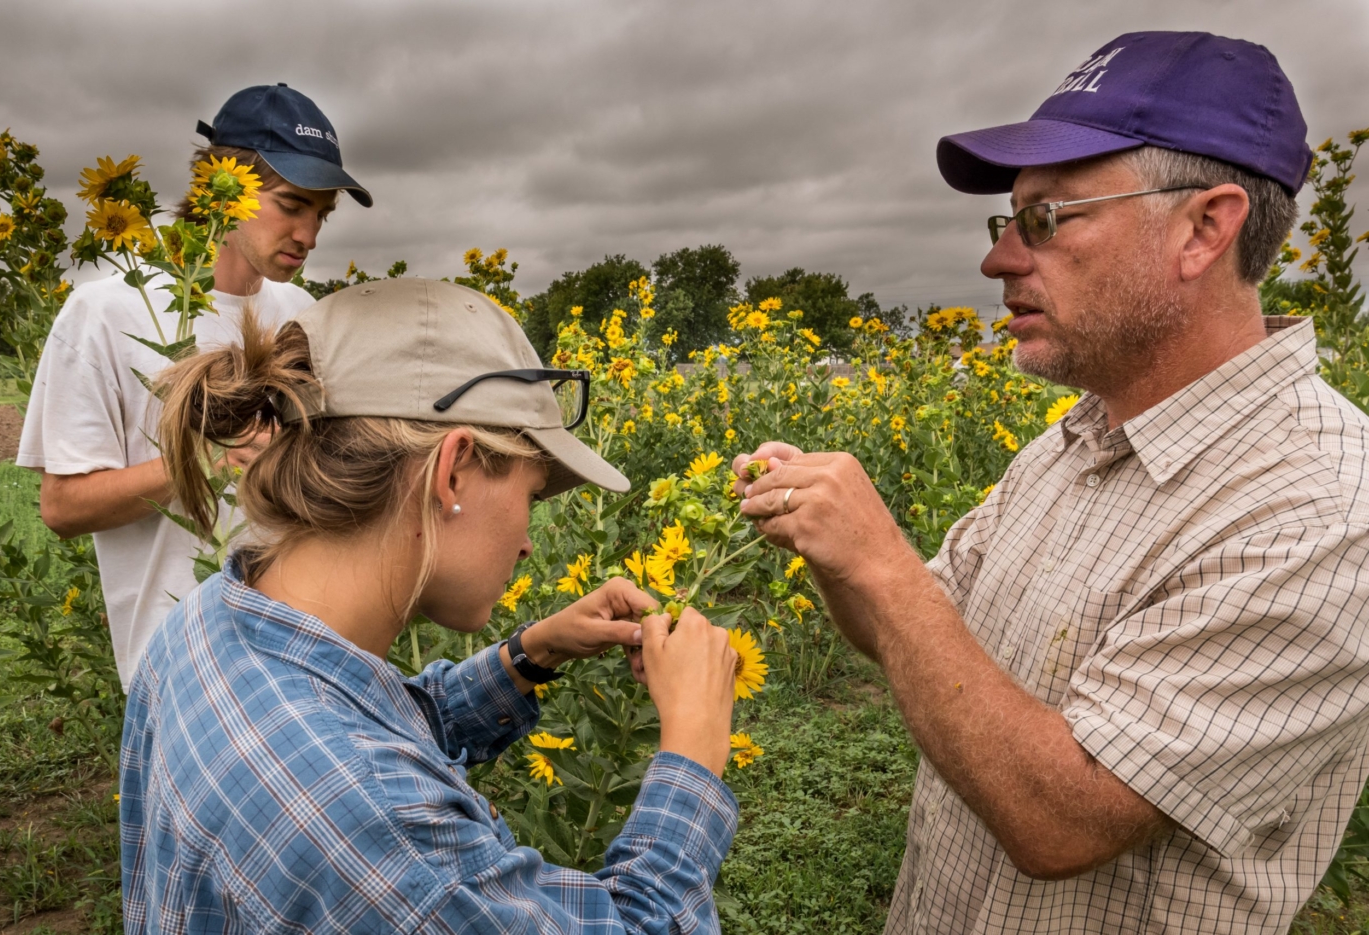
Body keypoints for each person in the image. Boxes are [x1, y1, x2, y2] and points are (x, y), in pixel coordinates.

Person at [733, 31, 1369, 934]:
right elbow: (909, 628)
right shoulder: (1077, 439)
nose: (998, 261)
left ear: (1205, 227)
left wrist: (880, 561)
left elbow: (1063, 820)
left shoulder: (1324, 506)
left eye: (1046, 218)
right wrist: (832, 543)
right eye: (1007, 220)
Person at [118, 277, 741, 933]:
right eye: (531, 493)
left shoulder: (205, 620)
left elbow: (374, 726)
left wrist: (531, 653)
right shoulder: (385, 833)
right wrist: (694, 748)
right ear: (454, 471)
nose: (529, 542)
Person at [17, 83, 371, 691]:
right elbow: (63, 507)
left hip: (302, 647)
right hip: (181, 664)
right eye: (292, 204)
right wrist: (210, 461)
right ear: (218, 187)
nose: (309, 235)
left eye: (322, 213)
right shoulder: (107, 311)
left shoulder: (303, 313)